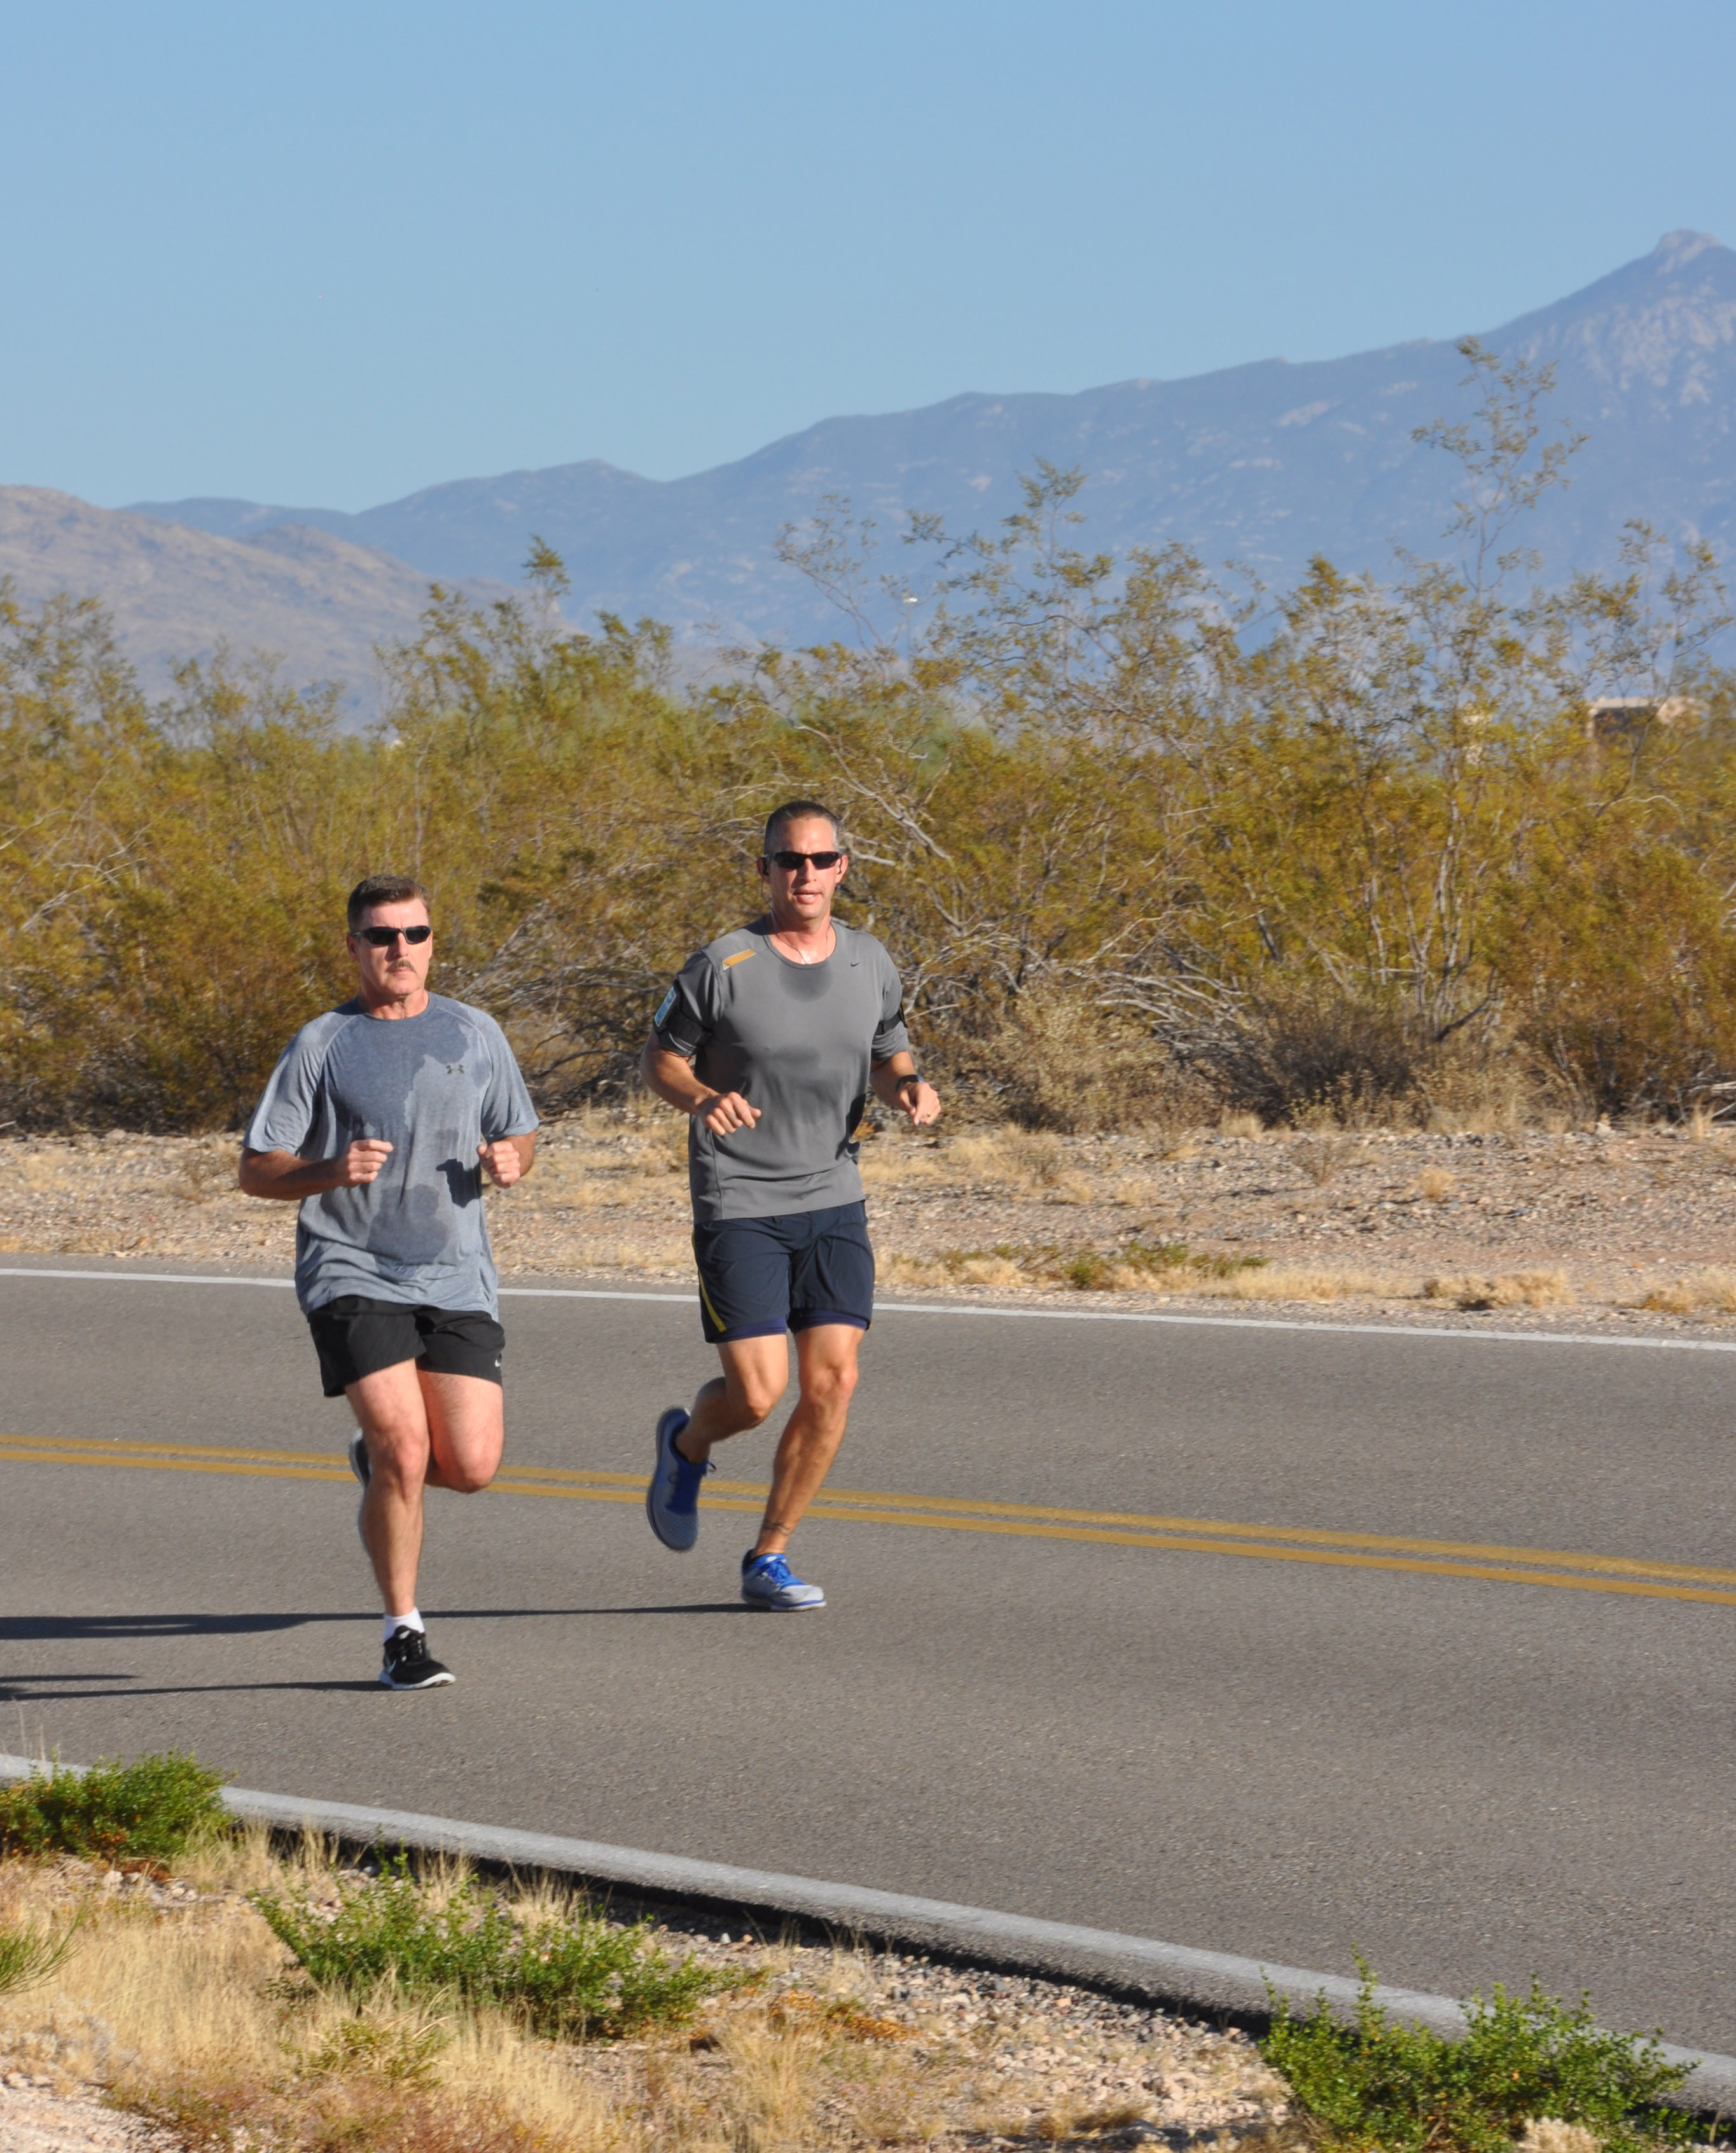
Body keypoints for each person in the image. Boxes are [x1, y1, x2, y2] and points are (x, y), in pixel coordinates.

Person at [239, 874, 538, 1689]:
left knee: (470, 1466)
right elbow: (257, 1170)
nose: (398, 950)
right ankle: (402, 1635)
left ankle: (377, 1465)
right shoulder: (322, 1042)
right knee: (406, 1447)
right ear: (354, 948)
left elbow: (518, 1127)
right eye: (380, 937)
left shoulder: (475, 1032)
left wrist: (515, 1159)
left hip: (456, 1271)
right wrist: (330, 1169)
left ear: (432, 941)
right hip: (352, 1265)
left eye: (412, 934)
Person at [641, 800, 940, 1609]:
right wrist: (702, 1097)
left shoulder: (869, 960)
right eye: (787, 860)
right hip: (738, 1196)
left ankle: (767, 1557)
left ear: (842, 866)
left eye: (819, 859)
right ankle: (687, 1443)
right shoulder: (723, 963)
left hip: (832, 1193)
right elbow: (659, 1059)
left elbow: (886, 1049)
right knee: (756, 1395)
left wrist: (909, 1087)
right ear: (764, 869)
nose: (803, 874)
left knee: (834, 1382)